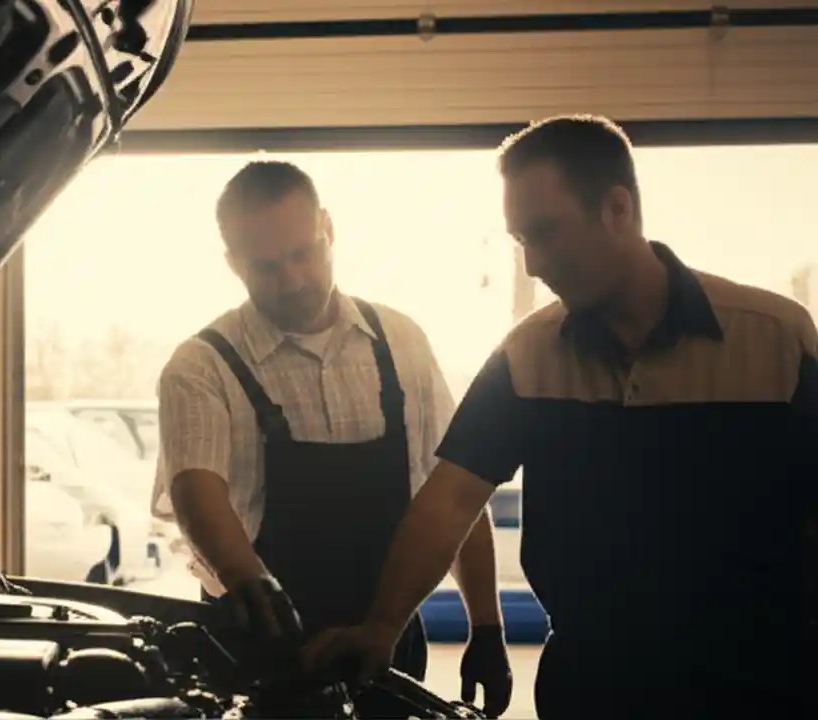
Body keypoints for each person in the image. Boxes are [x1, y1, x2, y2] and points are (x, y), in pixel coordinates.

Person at [299, 115, 818, 718]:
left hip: (760, 683)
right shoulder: (527, 355)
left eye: (545, 234)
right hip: (591, 684)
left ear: (617, 209)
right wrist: (381, 626)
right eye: (521, 242)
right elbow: (451, 498)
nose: (534, 265)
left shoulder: (777, 338)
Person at [150, 160, 513, 713]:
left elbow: (455, 489)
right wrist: (248, 578)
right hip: (256, 653)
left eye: (304, 254)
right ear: (232, 262)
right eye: (267, 267)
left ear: (329, 228)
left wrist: (485, 625)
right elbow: (197, 492)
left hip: (387, 647)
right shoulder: (202, 365)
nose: (293, 280)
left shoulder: (400, 341)